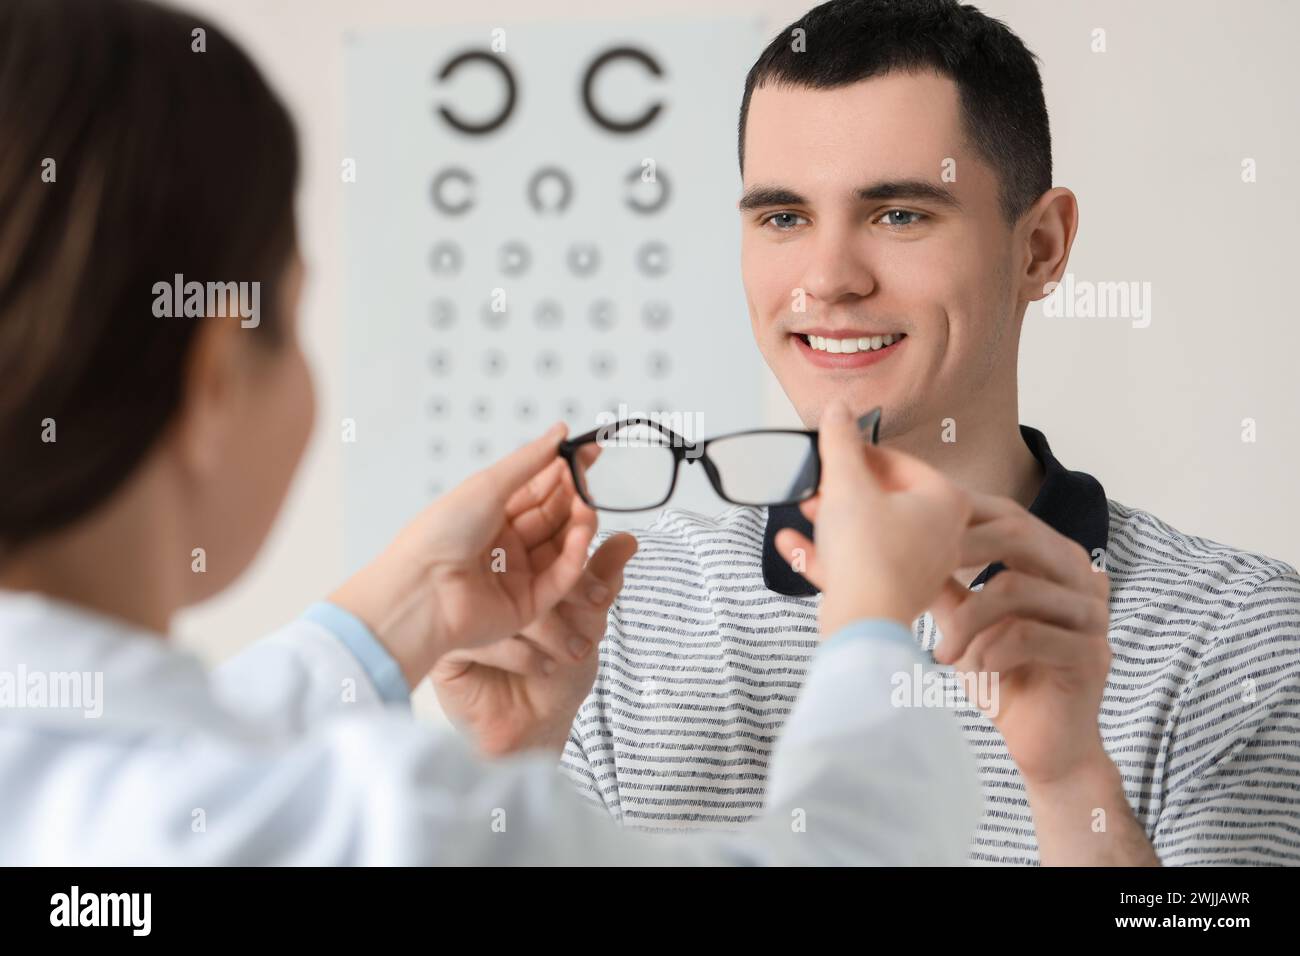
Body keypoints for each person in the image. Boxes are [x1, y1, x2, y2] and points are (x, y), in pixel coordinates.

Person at [0, 0, 980, 865]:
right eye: (294, 319)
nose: (829, 279)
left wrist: (410, 608)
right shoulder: (390, 822)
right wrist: (870, 624)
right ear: (212, 381)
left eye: (898, 213)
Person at [434, 0, 1300, 865]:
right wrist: (511, 775)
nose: (827, 280)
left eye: (898, 214)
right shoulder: (608, 627)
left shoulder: (1242, 639)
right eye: (783, 217)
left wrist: (1072, 783)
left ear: (1039, 248)